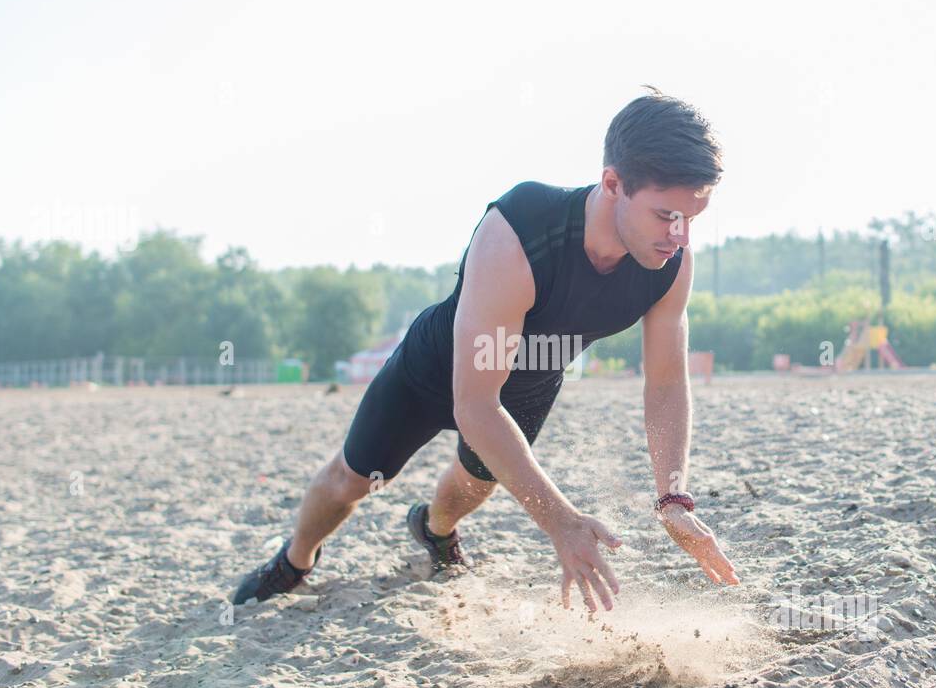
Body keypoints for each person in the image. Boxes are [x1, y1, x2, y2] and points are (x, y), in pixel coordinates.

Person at [233, 86, 739, 612]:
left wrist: (673, 500)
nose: (678, 237)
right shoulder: (521, 229)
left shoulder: (671, 261)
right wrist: (562, 523)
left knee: (473, 489)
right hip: (435, 370)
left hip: (531, 383)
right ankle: (294, 560)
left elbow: (664, 383)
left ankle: (433, 529)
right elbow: (474, 404)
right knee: (353, 479)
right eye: (665, 216)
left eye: (690, 219)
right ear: (613, 183)